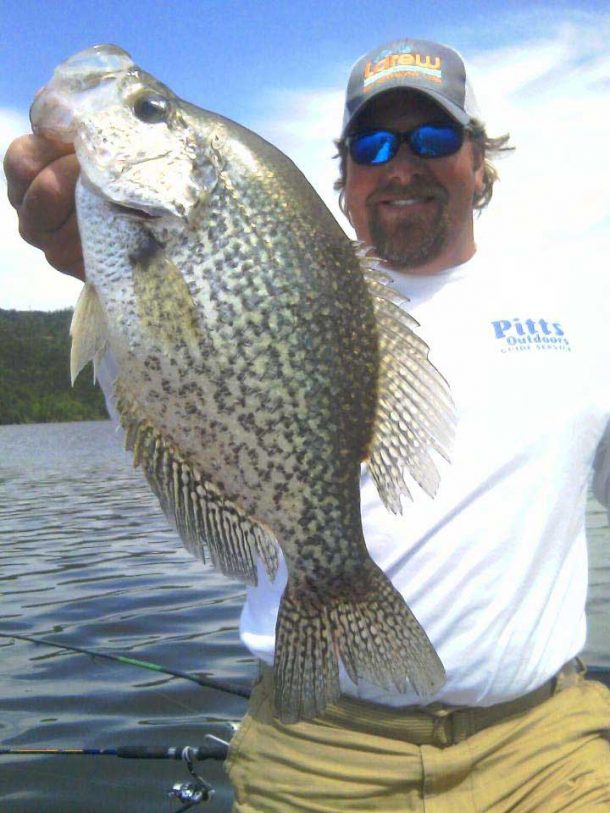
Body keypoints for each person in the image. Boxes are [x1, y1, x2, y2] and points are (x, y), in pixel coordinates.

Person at [5, 36, 610, 813]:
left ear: (480, 160)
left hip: (546, 748)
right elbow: (165, 390)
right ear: (345, 169)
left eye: (432, 138)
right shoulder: (290, 279)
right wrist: (106, 276)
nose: (400, 164)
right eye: (373, 142)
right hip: (319, 749)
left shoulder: (582, 306)